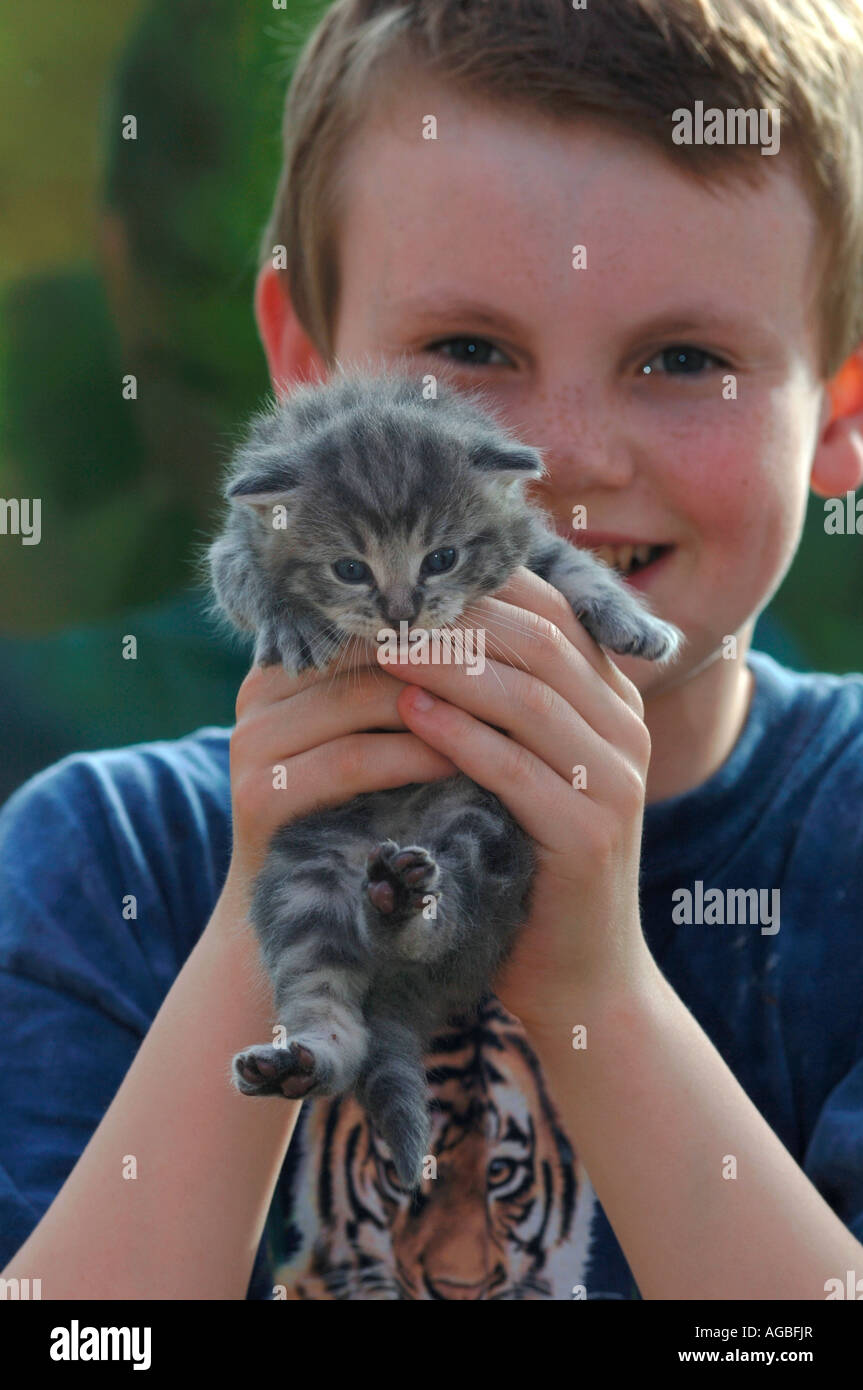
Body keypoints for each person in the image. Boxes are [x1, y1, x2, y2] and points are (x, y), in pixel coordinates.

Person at [2, 0, 863, 1301]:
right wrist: (268, 927)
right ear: (304, 366)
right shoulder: (104, 861)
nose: (569, 453)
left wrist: (601, 990)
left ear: (841, 411)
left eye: (685, 358)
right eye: (468, 349)